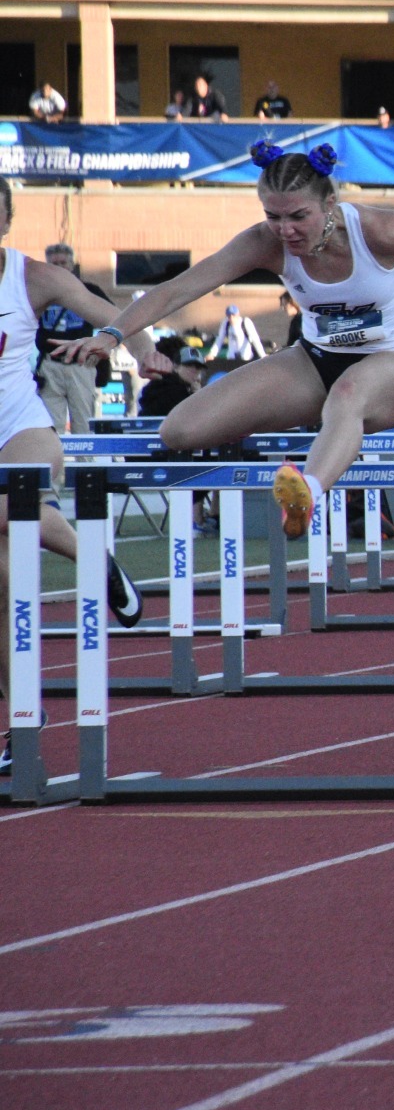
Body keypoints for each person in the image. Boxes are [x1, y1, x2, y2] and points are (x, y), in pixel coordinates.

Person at [57, 142, 394, 538]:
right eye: (273, 217)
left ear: (329, 204)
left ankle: (308, 494)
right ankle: (322, 444)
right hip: (316, 362)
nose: (285, 231)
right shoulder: (265, 243)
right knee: (180, 430)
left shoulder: (381, 230)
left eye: (297, 216)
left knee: (349, 395)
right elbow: (178, 288)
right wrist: (112, 333)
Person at [0, 180, 157, 773]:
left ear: (7, 221)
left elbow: (109, 313)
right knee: (2, 584)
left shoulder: (30, 277)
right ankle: (22, 718)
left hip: (21, 423)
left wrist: (140, 348)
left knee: (18, 499)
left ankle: (95, 555)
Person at [34, 242, 112, 433]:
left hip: (81, 363)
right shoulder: (39, 291)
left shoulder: (88, 291)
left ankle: (85, 463)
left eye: (63, 263)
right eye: (54, 264)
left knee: (83, 424)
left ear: (71, 265)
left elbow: (116, 320)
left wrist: (102, 347)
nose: (59, 268)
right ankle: (55, 462)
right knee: (51, 426)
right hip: (50, 364)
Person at [137, 345, 207, 417]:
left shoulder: (164, 383)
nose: (194, 371)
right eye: (189, 365)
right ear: (176, 367)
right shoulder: (173, 389)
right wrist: (196, 396)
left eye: (198, 367)